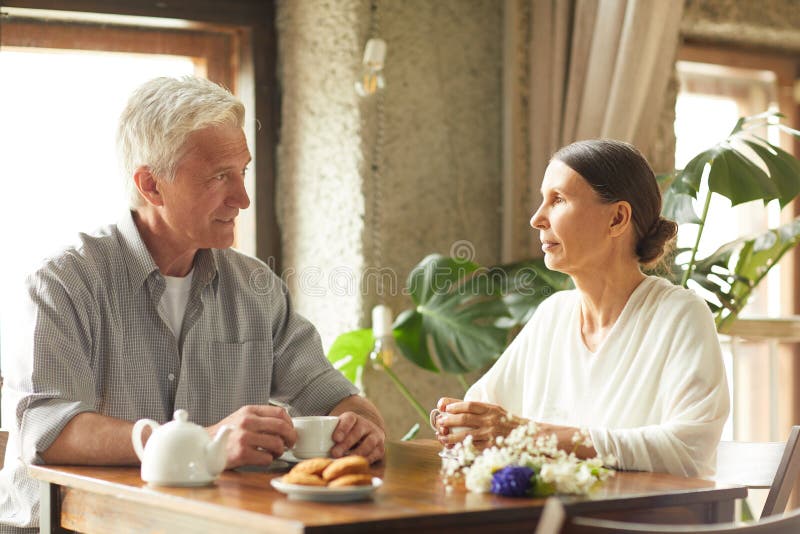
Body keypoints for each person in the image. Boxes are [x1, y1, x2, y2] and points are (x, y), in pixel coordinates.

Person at [0, 76, 385, 531]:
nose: (241, 197)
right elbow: (49, 430)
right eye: (219, 176)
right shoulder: (63, 282)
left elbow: (331, 395)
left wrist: (360, 425)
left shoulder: (257, 288)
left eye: (242, 171)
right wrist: (205, 442)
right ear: (151, 185)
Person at [433, 139, 729, 478]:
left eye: (558, 200)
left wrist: (527, 433)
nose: (537, 219)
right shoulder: (553, 314)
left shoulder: (679, 315)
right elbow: (481, 413)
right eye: (542, 200)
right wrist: (460, 422)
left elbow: (688, 449)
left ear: (617, 218)